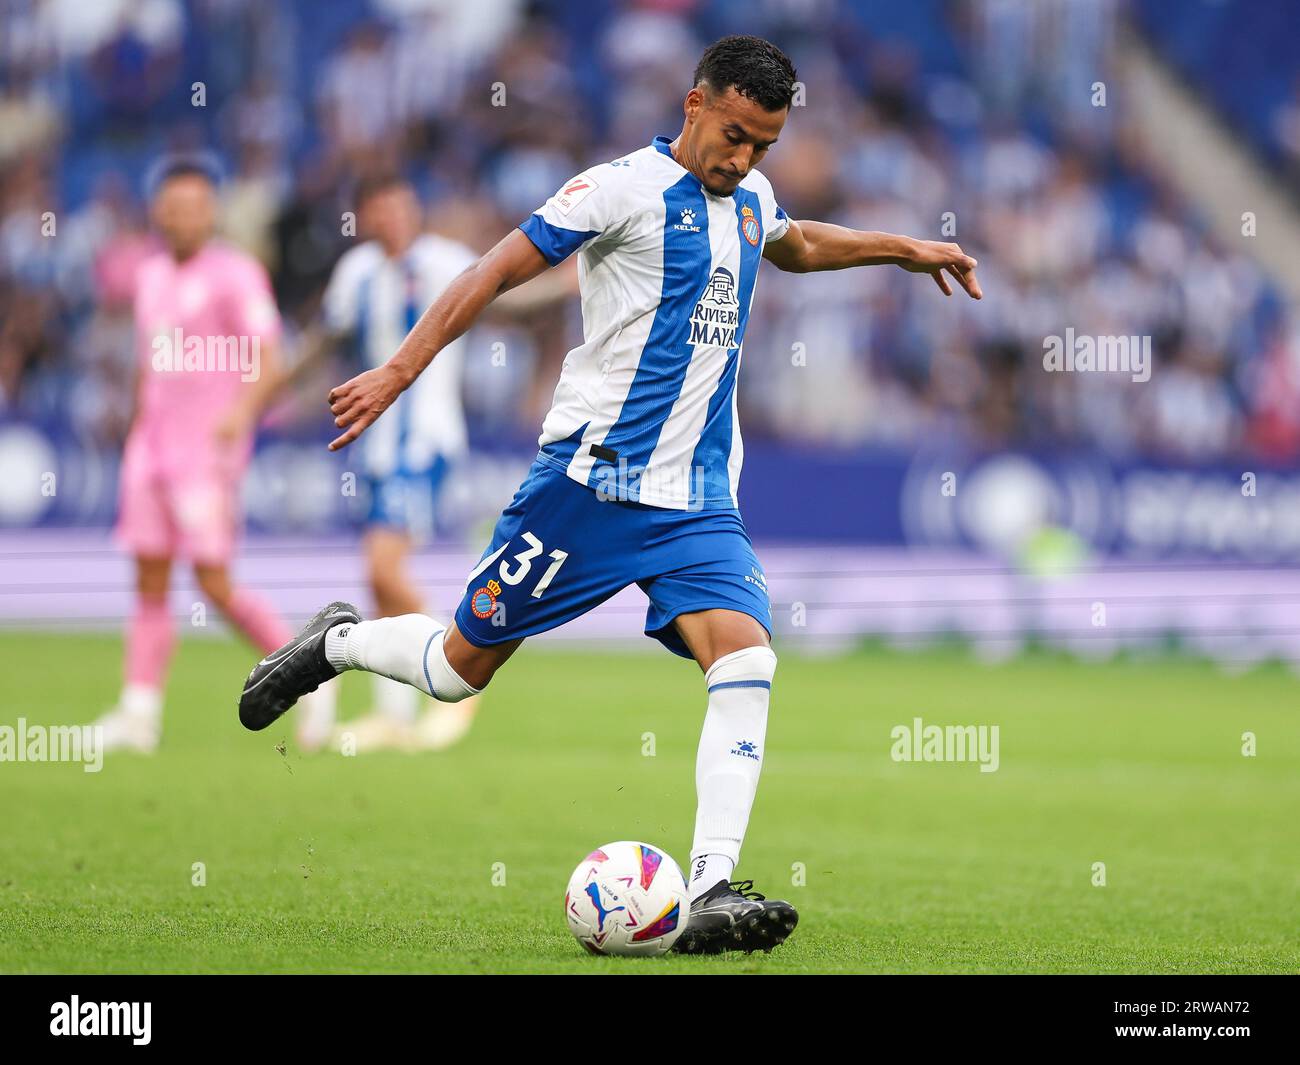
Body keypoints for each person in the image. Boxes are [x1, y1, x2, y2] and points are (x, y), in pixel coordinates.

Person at [238, 35, 981, 954]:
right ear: (695, 104)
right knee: (454, 670)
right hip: (590, 485)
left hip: (698, 498)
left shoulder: (750, 197)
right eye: (736, 135)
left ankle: (710, 884)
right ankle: (339, 640)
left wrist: (901, 249)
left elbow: (796, 243)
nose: (744, 158)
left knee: (747, 661)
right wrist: (399, 369)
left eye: (764, 145)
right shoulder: (619, 187)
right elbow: (493, 270)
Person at [95, 159, 332, 752]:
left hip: (206, 454)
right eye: (173, 207)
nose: (183, 218)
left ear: (212, 211)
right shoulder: (149, 276)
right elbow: (152, 364)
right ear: (159, 212)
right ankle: (138, 713)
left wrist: (239, 416)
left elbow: (271, 360)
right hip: (149, 450)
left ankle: (309, 674)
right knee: (148, 578)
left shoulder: (235, 274)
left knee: (214, 584)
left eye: (196, 206)